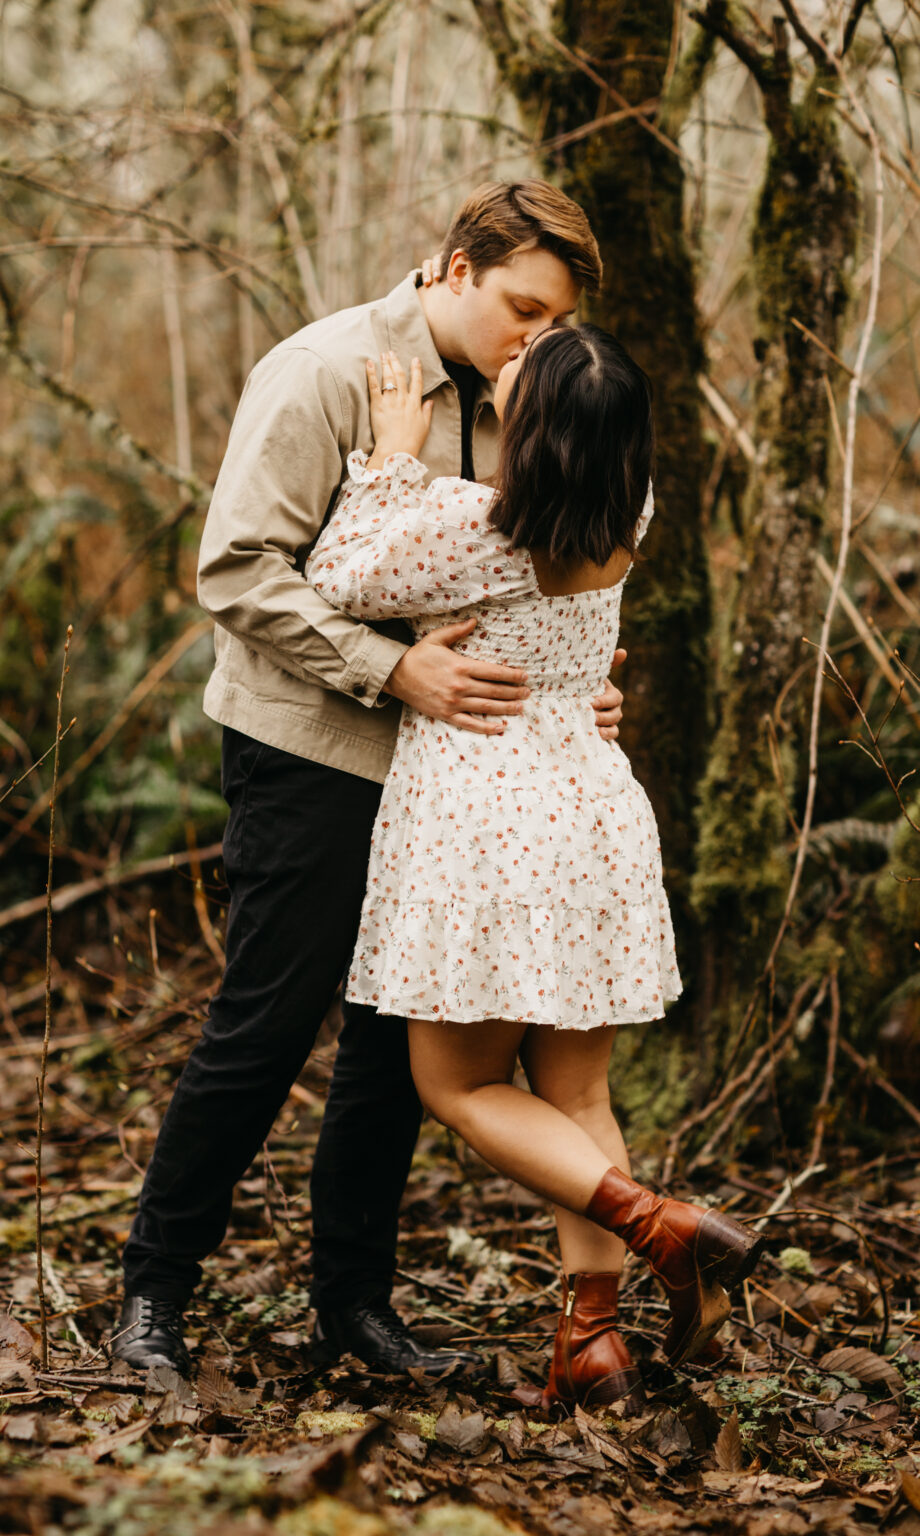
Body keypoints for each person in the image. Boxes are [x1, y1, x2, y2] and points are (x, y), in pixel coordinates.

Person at [111, 181, 629, 1377]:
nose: (533, 337)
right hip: (312, 741)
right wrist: (392, 672)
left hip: (466, 780)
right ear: (453, 268)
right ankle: (154, 1291)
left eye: (553, 321)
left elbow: (553, 566)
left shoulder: (534, 391)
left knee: (396, 1047)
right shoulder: (325, 370)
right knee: (268, 1019)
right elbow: (237, 571)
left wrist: (582, 689)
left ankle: (352, 1305)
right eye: (518, 307)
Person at [303, 329, 765, 1410]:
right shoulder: (626, 515)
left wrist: (390, 458)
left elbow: (339, 574)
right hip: (591, 811)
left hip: (486, 820)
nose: (507, 360)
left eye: (526, 366)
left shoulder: (478, 528)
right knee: (579, 1089)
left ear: (534, 423)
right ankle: (588, 1343)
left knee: (454, 1083)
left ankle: (663, 1227)